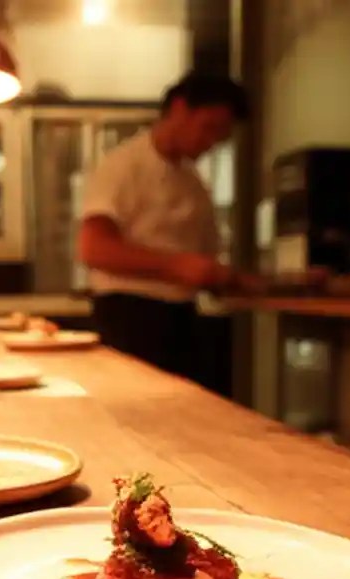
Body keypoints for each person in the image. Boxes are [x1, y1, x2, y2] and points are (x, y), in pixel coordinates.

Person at [78, 73, 257, 384]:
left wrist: (260, 282)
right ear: (179, 108)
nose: (210, 142)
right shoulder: (124, 164)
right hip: (129, 317)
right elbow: (94, 248)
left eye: (220, 136)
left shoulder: (195, 184)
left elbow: (206, 264)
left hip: (181, 318)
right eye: (208, 128)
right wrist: (176, 266)